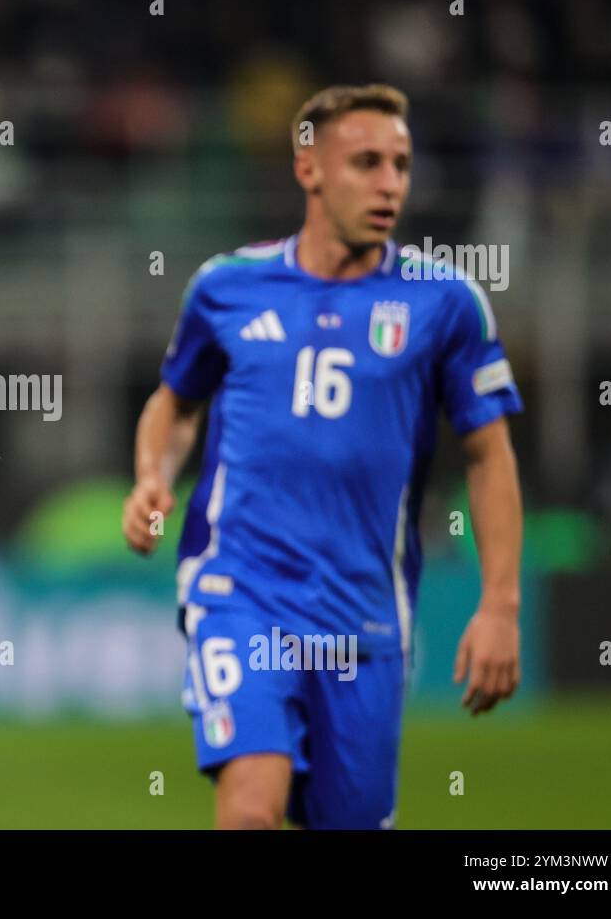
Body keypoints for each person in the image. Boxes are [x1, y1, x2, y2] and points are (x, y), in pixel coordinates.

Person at [123, 84, 524, 829]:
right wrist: (153, 473)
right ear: (309, 169)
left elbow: (488, 453)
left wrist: (500, 605)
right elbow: (175, 403)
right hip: (240, 594)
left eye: (400, 165)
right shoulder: (227, 288)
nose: (390, 184)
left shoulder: (445, 302)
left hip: (364, 620)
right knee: (249, 810)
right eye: (366, 162)